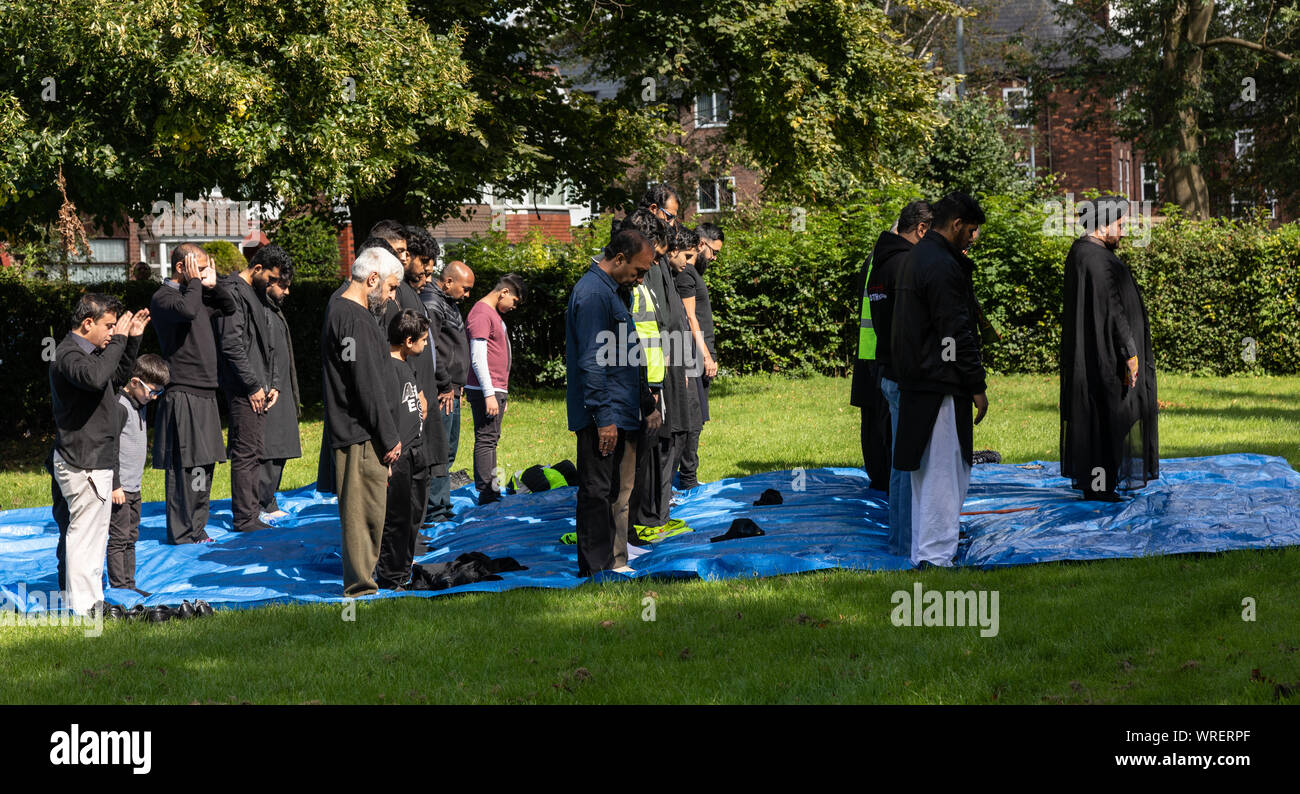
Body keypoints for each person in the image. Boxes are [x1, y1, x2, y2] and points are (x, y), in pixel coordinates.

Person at [890, 192, 988, 569]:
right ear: (958, 224)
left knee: (928, 474)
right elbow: (955, 330)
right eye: (972, 230)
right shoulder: (943, 265)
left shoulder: (917, 256)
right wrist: (975, 384)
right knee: (944, 476)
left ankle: (926, 551)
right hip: (940, 384)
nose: (973, 238)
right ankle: (935, 557)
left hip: (920, 380)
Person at [47, 293, 149, 615]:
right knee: (83, 536)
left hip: (94, 459)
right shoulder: (67, 354)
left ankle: (91, 605)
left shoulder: (89, 353)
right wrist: (119, 340)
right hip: (82, 461)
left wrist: (130, 341)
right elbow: (95, 377)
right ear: (87, 323)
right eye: (107, 326)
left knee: (92, 538)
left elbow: (114, 378)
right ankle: (83, 609)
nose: (110, 332)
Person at [566, 228, 657, 576]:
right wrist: (604, 418)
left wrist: (646, 402)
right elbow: (592, 361)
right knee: (597, 491)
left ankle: (609, 563)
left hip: (620, 410)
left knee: (612, 490)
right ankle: (596, 569)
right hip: (602, 415)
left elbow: (627, 355)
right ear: (618, 259)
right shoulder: (592, 295)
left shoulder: (616, 293)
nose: (640, 278)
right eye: (638, 271)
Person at [1060, 196, 1158, 501]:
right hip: (1106, 356)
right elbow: (1113, 310)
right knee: (1110, 416)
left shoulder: (1083, 252)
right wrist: (1130, 353)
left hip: (1094, 353)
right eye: (1120, 224)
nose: (1124, 230)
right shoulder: (1096, 259)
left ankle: (1099, 484)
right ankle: (1101, 487)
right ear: (1102, 226)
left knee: (1102, 416)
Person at [322, 246, 404, 597]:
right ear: (372, 279)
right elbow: (365, 383)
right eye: (390, 287)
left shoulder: (346, 309)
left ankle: (364, 584)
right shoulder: (352, 316)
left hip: (361, 430)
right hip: (360, 433)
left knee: (368, 512)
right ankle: (360, 591)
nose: (391, 295)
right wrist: (389, 438)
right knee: (362, 515)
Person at [150, 244, 236, 544]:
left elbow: (229, 307)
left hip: (206, 391)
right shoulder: (164, 297)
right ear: (180, 268)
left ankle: (197, 529)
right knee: (184, 466)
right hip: (182, 390)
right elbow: (187, 311)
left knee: (204, 463)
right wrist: (198, 283)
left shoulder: (197, 293)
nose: (201, 273)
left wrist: (214, 282)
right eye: (197, 267)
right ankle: (181, 532)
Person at [625, 200, 695, 533]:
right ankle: (648, 515)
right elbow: (646, 332)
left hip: (661, 371)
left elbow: (665, 322)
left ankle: (656, 511)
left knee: (667, 443)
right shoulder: (640, 275)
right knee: (654, 448)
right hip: (649, 379)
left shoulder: (653, 269)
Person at [866, 200, 932, 556]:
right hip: (907, 376)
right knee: (910, 464)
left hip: (889, 372)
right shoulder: (908, 264)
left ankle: (900, 539)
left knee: (898, 463)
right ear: (921, 229)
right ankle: (910, 541)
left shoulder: (882, 261)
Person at [215, 244, 289, 533]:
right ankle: (245, 517)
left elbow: (265, 343)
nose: (272, 285)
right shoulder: (234, 291)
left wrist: (271, 383)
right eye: (271, 279)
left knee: (254, 450)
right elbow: (231, 344)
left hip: (257, 384)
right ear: (257, 269)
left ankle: (249, 514)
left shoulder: (255, 294)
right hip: (245, 387)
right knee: (247, 452)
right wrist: (252, 385)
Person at [382, 226, 450, 520]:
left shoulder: (411, 293)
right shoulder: (397, 295)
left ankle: (416, 526)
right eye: (423, 266)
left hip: (422, 389)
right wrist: (417, 390)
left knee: (424, 464)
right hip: (411, 393)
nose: (427, 277)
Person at [376, 309, 432, 589]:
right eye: (423, 339)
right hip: (399, 457)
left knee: (413, 514)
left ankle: (404, 568)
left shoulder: (406, 365)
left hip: (416, 452)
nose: (426, 343)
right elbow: (384, 413)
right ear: (408, 341)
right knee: (397, 518)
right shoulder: (388, 368)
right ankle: (390, 575)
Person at [108, 353, 170, 595]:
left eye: (158, 394)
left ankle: (130, 583)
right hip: (120, 489)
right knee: (119, 538)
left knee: (132, 536)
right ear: (134, 382)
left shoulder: (139, 405)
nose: (153, 398)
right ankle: (119, 586)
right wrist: (115, 485)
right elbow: (110, 448)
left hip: (134, 487)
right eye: (152, 391)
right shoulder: (120, 407)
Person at [422, 260, 476, 524]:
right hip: (441, 390)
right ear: (448, 282)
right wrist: (444, 383)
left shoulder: (448, 303)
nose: (467, 295)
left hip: (452, 388)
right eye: (464, 289)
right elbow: (430, 349)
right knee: (439, 450)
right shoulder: (432, 304)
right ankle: (434, 508)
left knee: (449, 449)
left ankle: (440, 504)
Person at [464, 273, 523, 504]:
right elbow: (477, 357)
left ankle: (493, 490)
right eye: (515, 302)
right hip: (484, 389)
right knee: (487, 438)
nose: (514, 307)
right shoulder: (481, 312)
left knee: (492, 438)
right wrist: (489, 393)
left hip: (495, 388)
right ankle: (487, 492)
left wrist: (501, 394)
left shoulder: (492, 314)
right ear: (504, 292)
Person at [675, 222, 722, 490]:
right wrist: (705, 356)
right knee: (692, 419)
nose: (714, 258)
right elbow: (689, 318)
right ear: (701, 244)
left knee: (697, 419)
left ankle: (688, 476)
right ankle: (688, 479)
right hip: (692, 354)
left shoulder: (692, 273)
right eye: (713, 251)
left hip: (699, 352)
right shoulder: (686, 274)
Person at [258, 258, 301, 521]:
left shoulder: (273, 309)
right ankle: (263, 502)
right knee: (270, 450)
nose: (287, 291)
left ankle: (269, 498)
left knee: (280, 449)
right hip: (270, 390)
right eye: (283, 286)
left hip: (281, 387)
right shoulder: (262, 310)